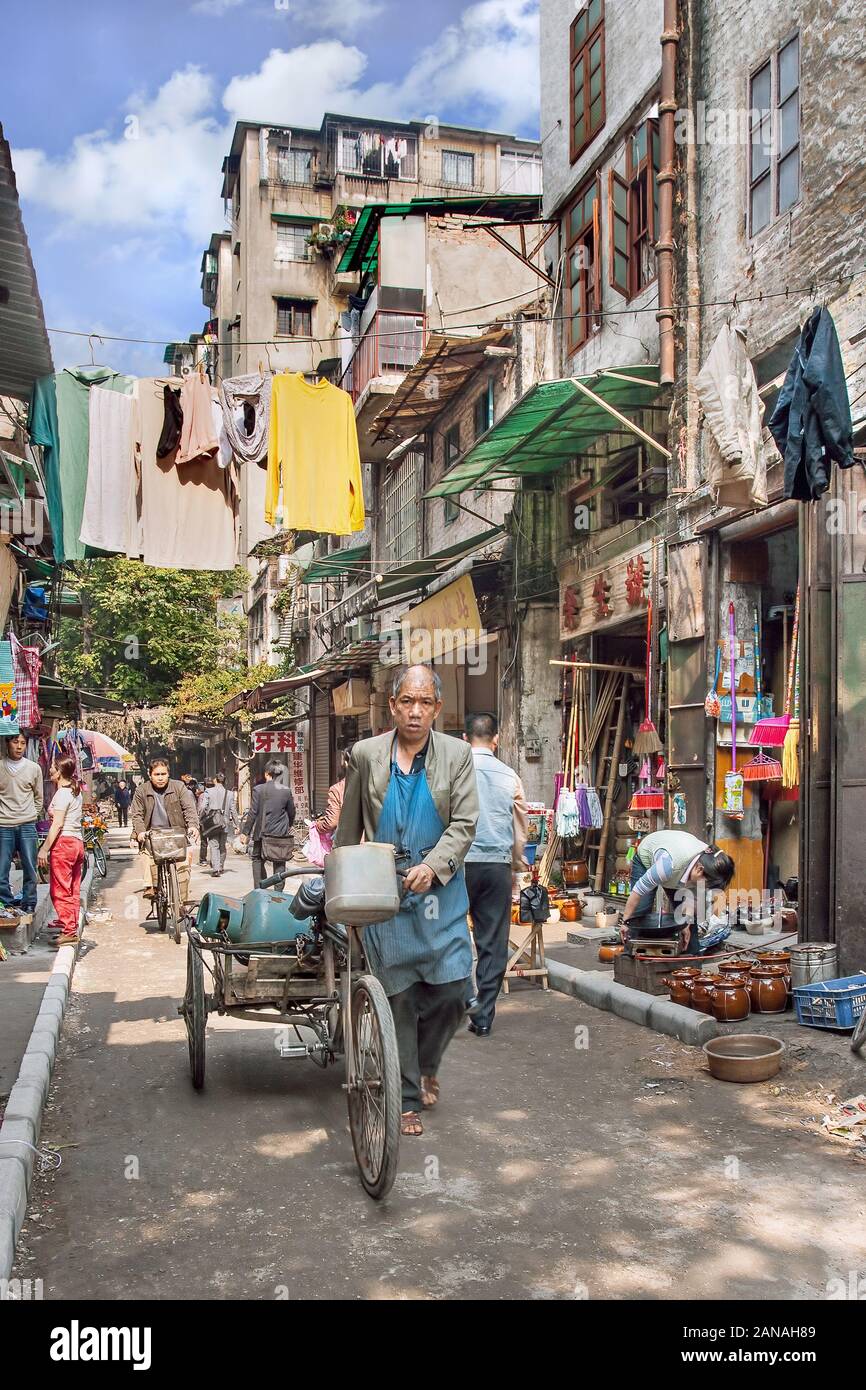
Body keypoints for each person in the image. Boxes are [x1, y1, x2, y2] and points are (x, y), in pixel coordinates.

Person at [335, 664, 478, 1138]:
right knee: (397, 996)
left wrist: (434, 866)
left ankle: (428, 1062)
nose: (415, 711)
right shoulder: (366, 754)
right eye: (406, 702)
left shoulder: (457, 755)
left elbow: (463, 824)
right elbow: (349, 829)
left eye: (425, 703)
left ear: (437, 708)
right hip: (385, 892)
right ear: (392, 705)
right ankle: (408, 1097)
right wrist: (340, 891)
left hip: (440, 891)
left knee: (454, 990)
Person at [462, 714, 528, 1037]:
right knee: (492, 943)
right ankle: (483, 1016)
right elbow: (519, 830)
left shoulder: (453, 771)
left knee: (450, 934)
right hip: (496, 866)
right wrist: (515, 866)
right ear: (496, 739)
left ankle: (461, 998)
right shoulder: (510, 776)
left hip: (457, 865)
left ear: (465, 738)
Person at [620, 829, 735, 953]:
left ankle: (691, 963)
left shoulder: (708, 864)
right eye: (706, 884)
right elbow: (637, 892)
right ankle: (632, 959)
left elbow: (691, 902)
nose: (704, 888)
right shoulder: (667, 866)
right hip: (647, 859)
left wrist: (685, 925)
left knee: (689, 923)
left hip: (678, 867)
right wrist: (625, 922)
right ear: (699, 870)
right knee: (639, 914)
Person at [130, 759, 199, 907]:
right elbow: (137, 814)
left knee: (183, 870)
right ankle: (151, 887)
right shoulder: (141, 790)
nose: (160, 777)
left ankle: (181, 904)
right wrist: (140, 832)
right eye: (156, 774)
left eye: (163, 774)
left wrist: (193, 826)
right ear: (150, 775)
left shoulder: (179, 787)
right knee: (146, 856)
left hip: (176, 834)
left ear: (168, 774)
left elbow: (189, 808)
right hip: (152, 835)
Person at [37, 756, 85, 949]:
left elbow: (57, 824)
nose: (49, 771)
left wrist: (43, 849)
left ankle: (69, 931)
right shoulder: (75, 791)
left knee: (60, 890)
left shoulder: (63, 794)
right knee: (72, 889)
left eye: (52, 768)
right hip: (77, 843)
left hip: (64, 844)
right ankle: (69, 925)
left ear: (59, 772)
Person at [0, 733, 43, 921]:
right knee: (2, 869)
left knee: (30, 868)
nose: (19, 746)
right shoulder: (0, 767)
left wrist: (31, 815)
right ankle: (7, 904)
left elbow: (39, 797)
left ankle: (29, 903)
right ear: (7, 743)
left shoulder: (34, 768)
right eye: (15, 742)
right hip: (3, 826)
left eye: (23, 743)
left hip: (27, 825)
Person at [240, 760, 296, 887]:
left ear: (266, 774)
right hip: (280, 834)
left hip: (262, 834)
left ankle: (260, 889)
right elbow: (292, 812)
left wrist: (245, 832)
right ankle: (278, 893)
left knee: (257, 859)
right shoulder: (286, 791)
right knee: (280, 862)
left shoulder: (258, 790)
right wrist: (288, 826)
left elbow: (253, 813)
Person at [199, 772, 238, 876]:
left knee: (214, 845)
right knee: (222, 846)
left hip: (213, 823)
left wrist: (202, 817)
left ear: (215, 780)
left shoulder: (208, 791)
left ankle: (216, 869)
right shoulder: (229, 794)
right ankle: (220, 866)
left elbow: (203, 807)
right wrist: (236, 825)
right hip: (225, 823)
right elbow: (233, 810)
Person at [312, 747, 351, 837]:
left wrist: (317, 826)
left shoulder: (338, 789)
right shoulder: (375, 784)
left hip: (348, 845)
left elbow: (331, 822)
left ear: (345, 763)